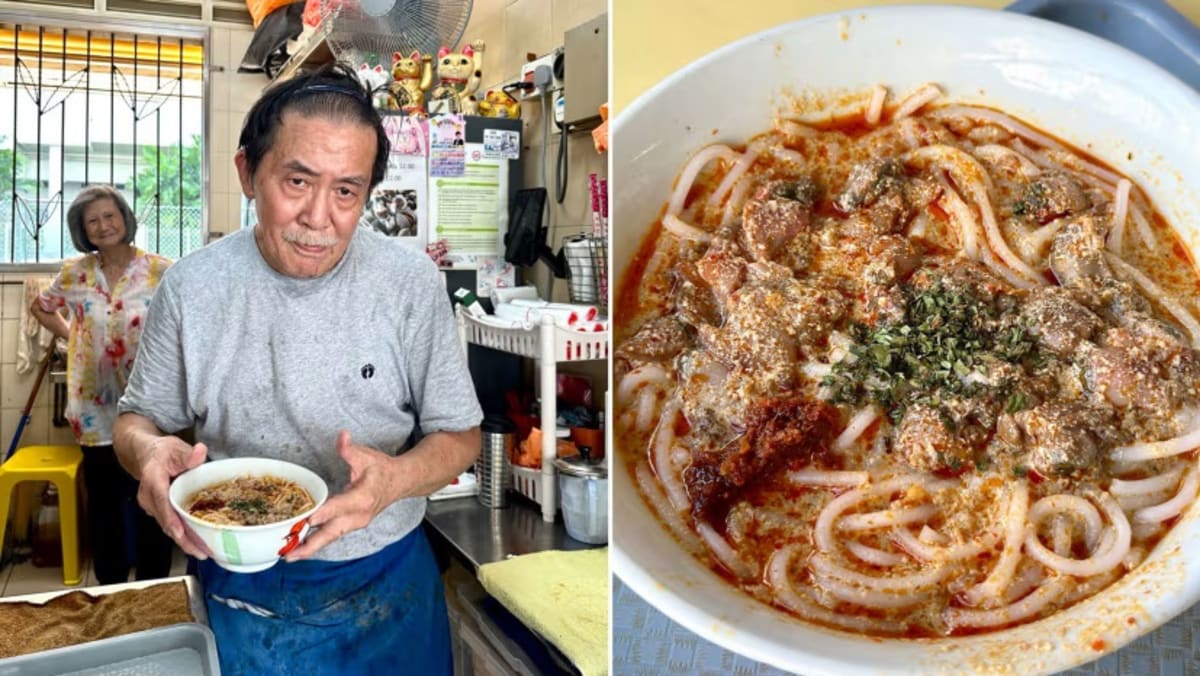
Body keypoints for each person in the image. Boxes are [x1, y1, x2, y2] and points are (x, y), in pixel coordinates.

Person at [113, 62, 482, 675]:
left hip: (386, 579)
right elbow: (136, 420)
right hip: (238, 579)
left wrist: (393, 480)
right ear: (248, 173)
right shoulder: (192, 287)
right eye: (297, 181)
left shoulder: (409, 283)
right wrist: (149, 452)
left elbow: (461, 436)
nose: (319, 217)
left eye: (346, 192)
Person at [31, 184, 175, 585]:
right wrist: (72, 336)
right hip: (93, 409)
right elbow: (41, 307)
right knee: (105, 504)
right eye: (92, 220)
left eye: (109, 215)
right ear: (83, 230)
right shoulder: (74, 273)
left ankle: (153, 589)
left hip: (148, 406)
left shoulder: (161, 270)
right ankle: (110, 591)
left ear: (124, 218)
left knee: (152, 500)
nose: (103, 225)